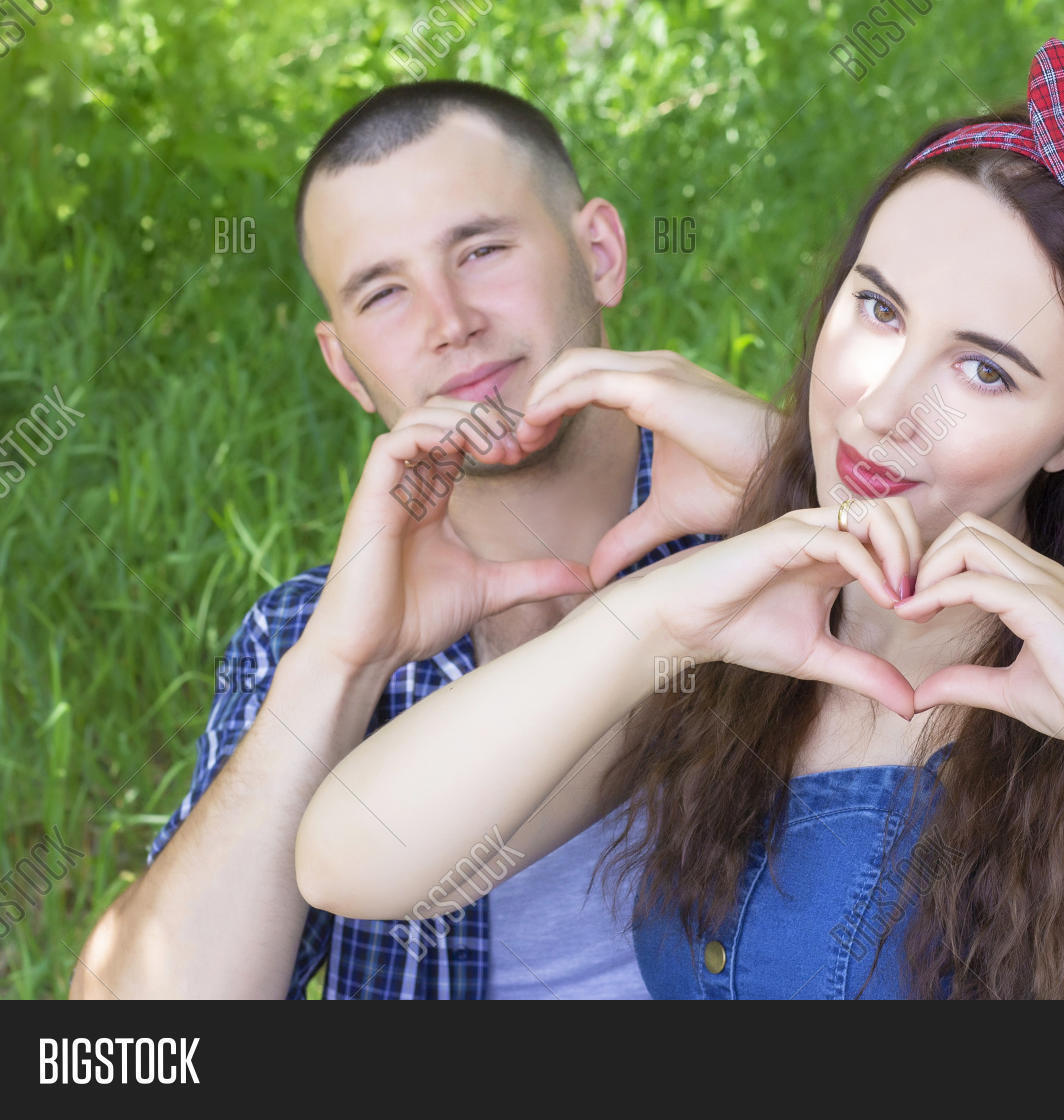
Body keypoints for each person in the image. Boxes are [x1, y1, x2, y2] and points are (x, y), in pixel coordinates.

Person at [294, 41, 1064, 998]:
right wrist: (656, 621)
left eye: (986, 370)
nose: (879, 402)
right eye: (878, 309)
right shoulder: (738, 641)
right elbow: (355, 862)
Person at [69, 80, 774, 999]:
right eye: (384, 294)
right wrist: (341, 667)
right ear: (346, 367)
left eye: (480, 250)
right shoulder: (308, 638)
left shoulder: (758, 525)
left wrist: (797, 474)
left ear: (598, 251)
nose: (451, 322)